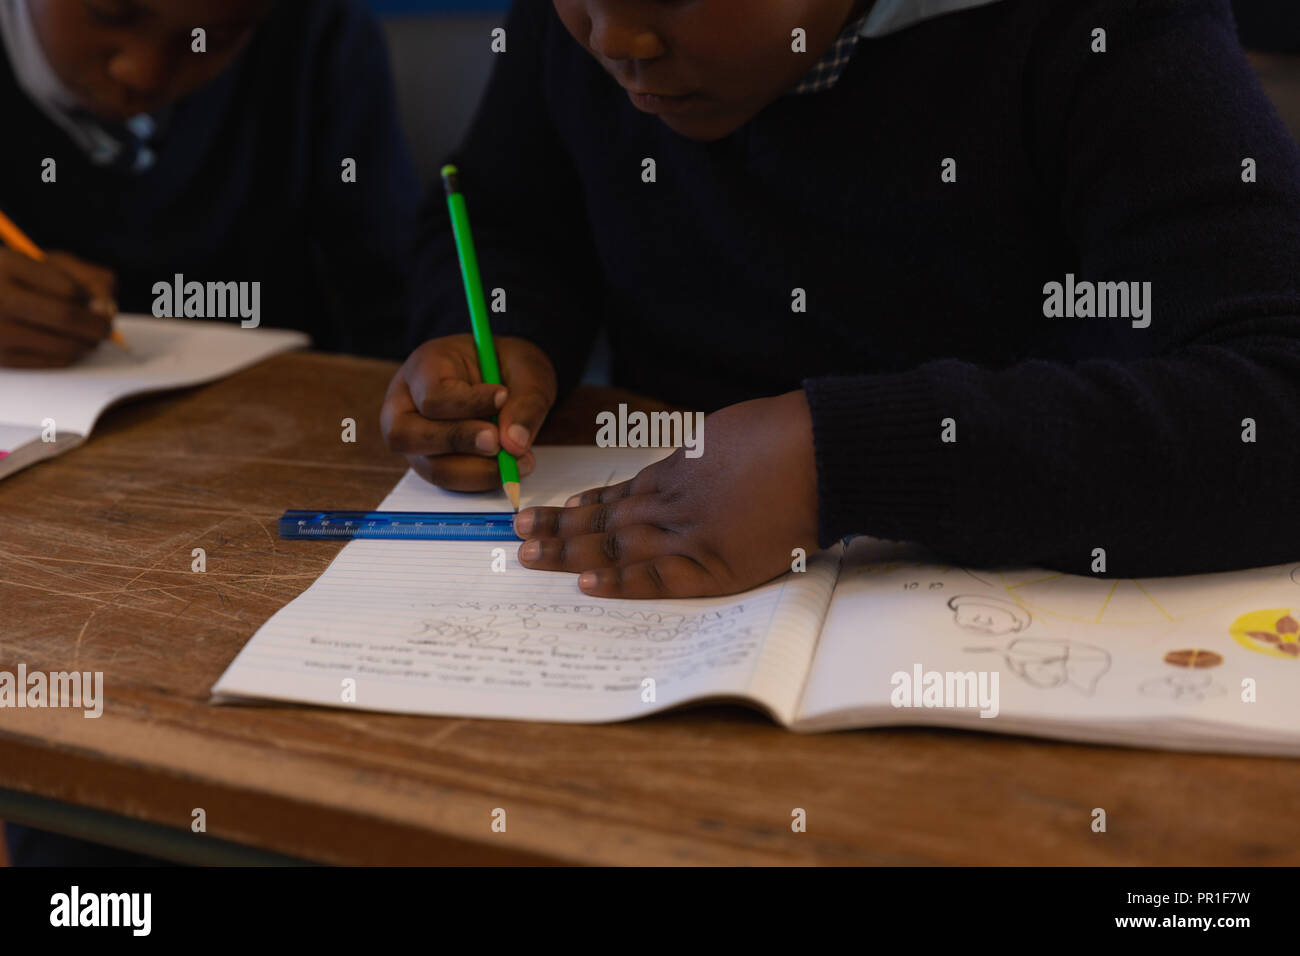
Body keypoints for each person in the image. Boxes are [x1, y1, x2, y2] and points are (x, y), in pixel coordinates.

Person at [385, 0, 1300, 599]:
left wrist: (842, 458)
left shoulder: (1101, 29)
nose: (616, 39)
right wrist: (498, 330)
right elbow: (504, 216)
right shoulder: (580, 29)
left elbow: (1277, 399)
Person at [0, 0, 419, 367]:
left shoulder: (319, 36)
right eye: (110, 12)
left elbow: (395, 299)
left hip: (275, 416)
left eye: (215, 37)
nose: (142, 72)